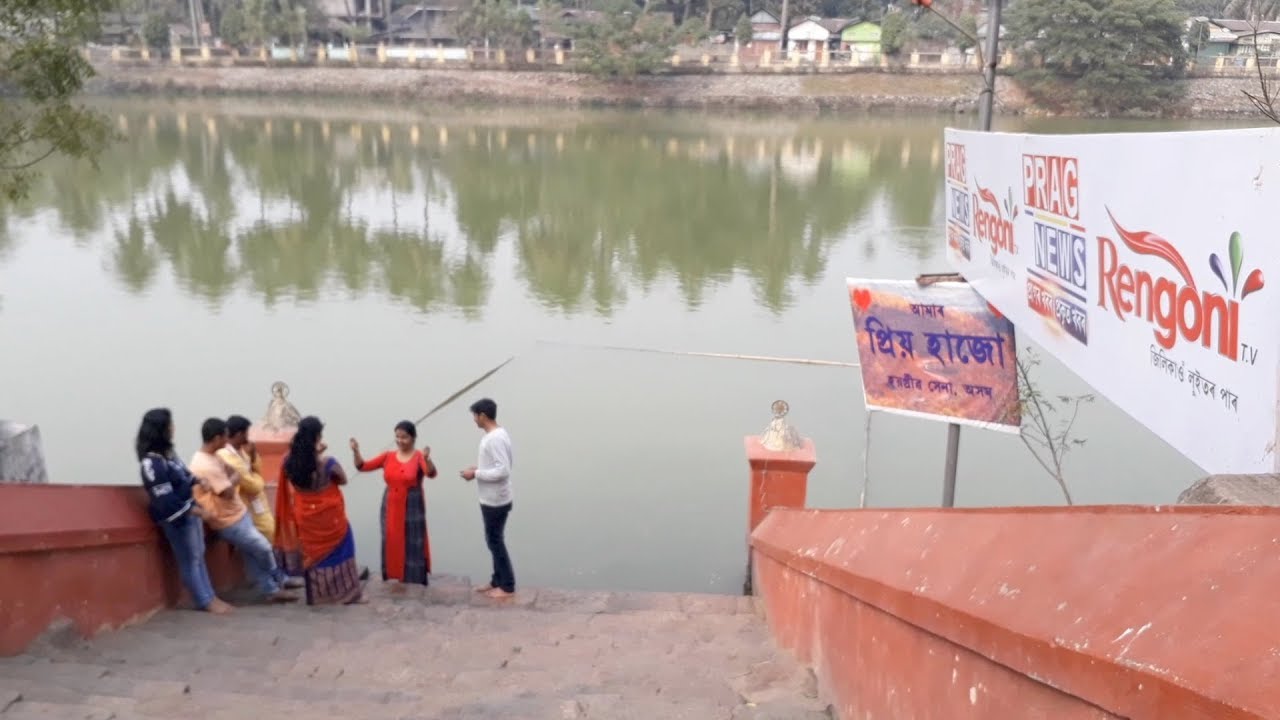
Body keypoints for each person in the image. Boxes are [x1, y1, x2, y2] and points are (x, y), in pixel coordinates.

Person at [189, 417, 299, 604]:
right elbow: (230, 491)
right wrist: (234, 479)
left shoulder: (216, 456)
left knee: (252, 552)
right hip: (227, 520)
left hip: (239, 513)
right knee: (263, 548)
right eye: (224, 437)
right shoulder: (205, 464)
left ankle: (271, 589)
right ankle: (276, 578)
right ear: (216, 438)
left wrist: (235, 477)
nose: (227, 441)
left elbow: (237, 475)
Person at [135, 408, 233, 615]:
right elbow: (165, 500)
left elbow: (182, 474)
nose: (173, 428)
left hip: (190, 509)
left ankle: (210, 596)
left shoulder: (168, 455)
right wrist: (196, 512)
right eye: (170, 425)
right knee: (190, 560)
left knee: (198, 556)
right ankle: (204, 600)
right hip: (179, 518)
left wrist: (198, 481)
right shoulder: (152, 464)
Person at [276, 416, 365, 605]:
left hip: (305, 517)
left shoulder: (288, 462)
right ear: (317, 437)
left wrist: (314, 453)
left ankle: (318, 596)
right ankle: (347, 595)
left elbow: (299, 469)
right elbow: (342, 479)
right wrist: (320, 454)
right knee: (343, 548)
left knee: (313, 554)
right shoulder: (328, 463)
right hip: (329, 517)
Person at [350, 421, 437, 586]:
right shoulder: (388, 456)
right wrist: (356, 451)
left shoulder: (418, 456)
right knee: (391, 539)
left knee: (412, 541)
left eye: (404, 437)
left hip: (412, 505)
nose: (400, 441)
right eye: (397, 437)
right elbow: (363, 466)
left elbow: (430, 473)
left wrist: (427, 459)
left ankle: (414, 579)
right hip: (390, 504)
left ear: (413, 438)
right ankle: (392, 574)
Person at [460, 398, 515, 599]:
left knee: (495, 541)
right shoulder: (497, 434)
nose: (474, 420)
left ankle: (507, 586)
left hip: (496, 500)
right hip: (492, 498)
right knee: (492, 540)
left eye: (475, 416)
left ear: (483, 416)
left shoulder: (494, 439)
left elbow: (503, 470)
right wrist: (479, 469)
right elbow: (497, 466)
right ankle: (496, 580)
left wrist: (475, 474)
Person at [217, 415, 276, 544]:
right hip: (245, 505)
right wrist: (257, 478)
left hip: (256, 504)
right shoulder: (227, 457)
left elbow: (258, 469)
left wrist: (253, 455)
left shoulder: (242, 451)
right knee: (268, 535)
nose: (250, 437)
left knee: (271, 532)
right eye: (247, 433)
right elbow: (254, 486)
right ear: (239, 434)